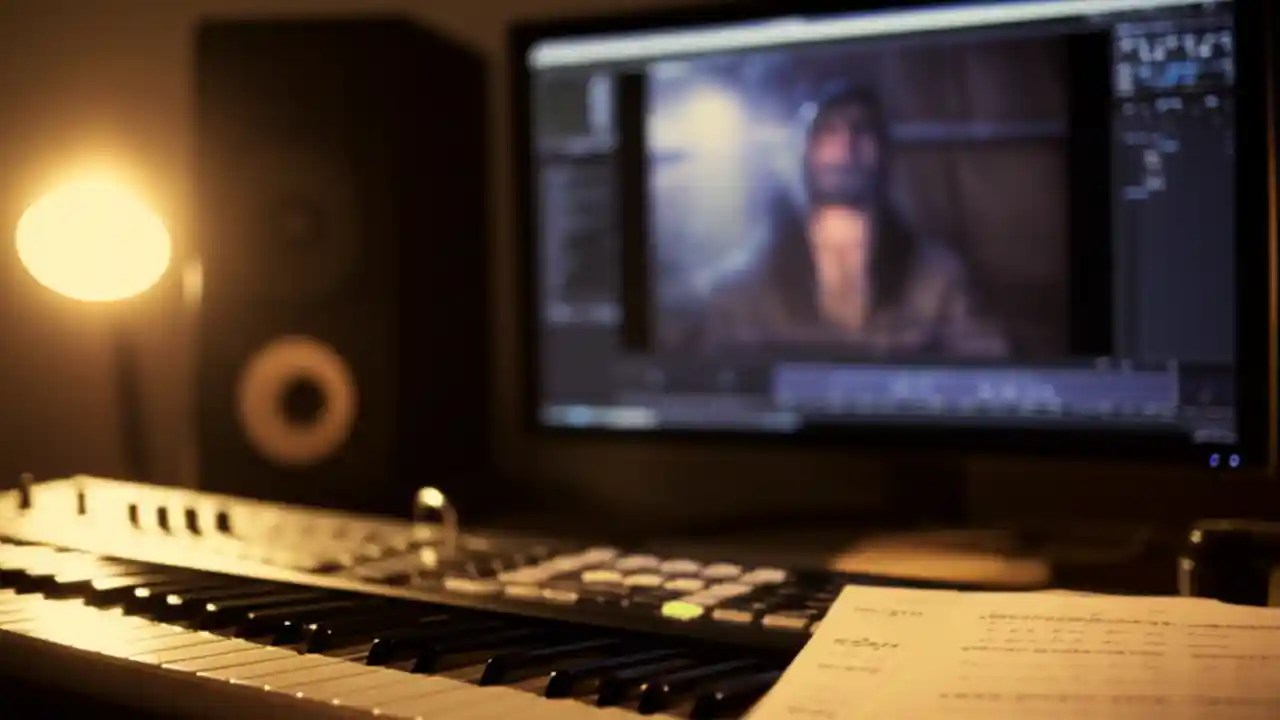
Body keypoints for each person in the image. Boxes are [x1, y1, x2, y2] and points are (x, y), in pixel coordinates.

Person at [699, 84, 1009, 358]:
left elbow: (984, 366)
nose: (845, 147)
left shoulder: (937, 277)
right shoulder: (743, 289)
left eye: (861, 131)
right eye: (828, 132)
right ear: (804, 151)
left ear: (884, 152)